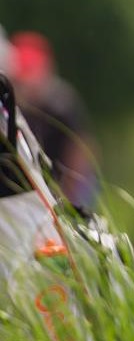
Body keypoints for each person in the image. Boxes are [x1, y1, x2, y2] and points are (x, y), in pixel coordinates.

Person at [5, 31, 98, 213]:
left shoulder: (61, 104)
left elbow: (80, 153)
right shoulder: (12, 106)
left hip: (71, 183)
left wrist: (65, 200)